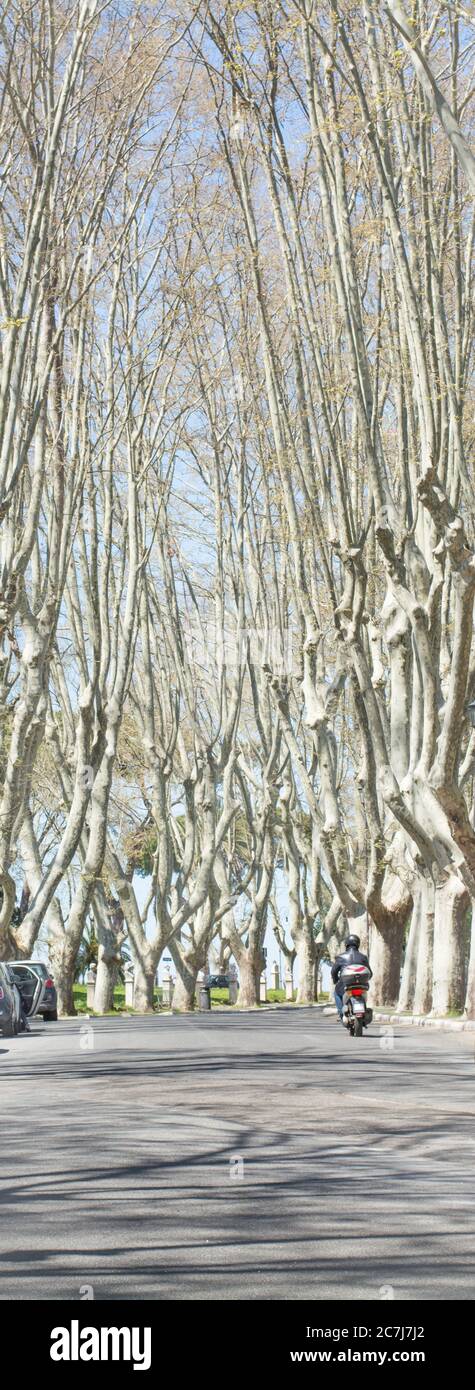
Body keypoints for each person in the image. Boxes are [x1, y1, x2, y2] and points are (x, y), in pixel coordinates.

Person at [331, 934, 372, 1020]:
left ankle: (341, 1013)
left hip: (345, 986)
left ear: (346, 944)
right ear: (358, 944)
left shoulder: (341, 957)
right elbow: (370, 973)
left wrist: (335, 980)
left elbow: (334, 971)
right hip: (362, 985)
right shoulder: (363, 957)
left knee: (336, 993)